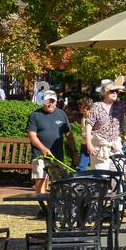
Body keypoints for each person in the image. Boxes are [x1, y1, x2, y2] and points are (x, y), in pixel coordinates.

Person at [26, 90, 79, 218]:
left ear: (56, 101)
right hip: (39, 154)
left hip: (57, 156)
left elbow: (68, 134)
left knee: (58, 182)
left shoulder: (61, 114)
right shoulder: (35, 115)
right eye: (46, 101)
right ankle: (42, 208)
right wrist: (43, 149)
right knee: (40, 179)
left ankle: (56, 207)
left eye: (52, 101)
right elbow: (32, 136)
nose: (49, 104)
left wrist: (74, 151)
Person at [84, 79, 126, 171]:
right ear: (104, 92)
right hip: (100, 148)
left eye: (116, 91)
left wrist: (124, 88)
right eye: (112, 91)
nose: (115, 93)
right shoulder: (96, 106)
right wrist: (88, 143)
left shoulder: (119, 105)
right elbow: (89, 125)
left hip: (115, 147)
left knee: (118, 176)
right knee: (102, 177)